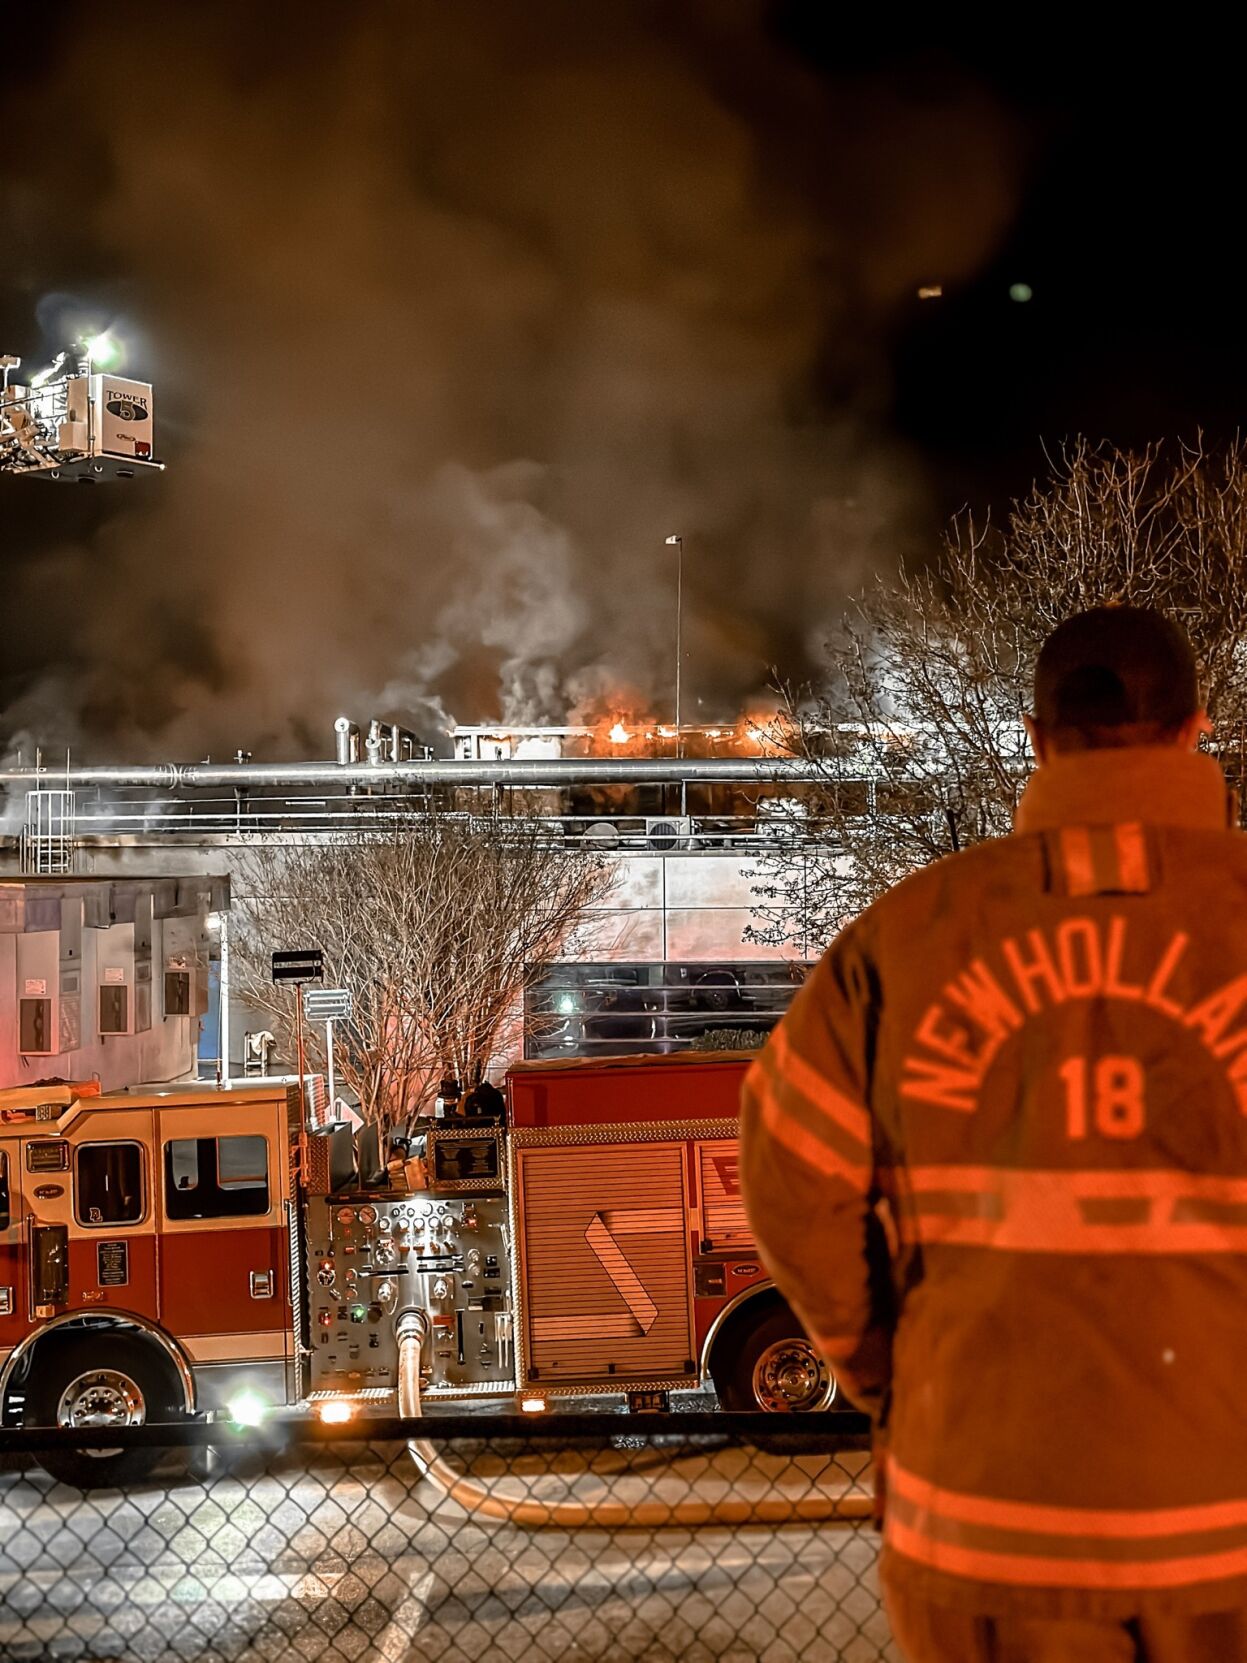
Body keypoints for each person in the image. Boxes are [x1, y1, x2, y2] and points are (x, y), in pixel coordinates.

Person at [741, 606, 1247, 1661]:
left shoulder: (908, 934)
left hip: (983, 1515)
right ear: (1196, 725)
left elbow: (790, 1171)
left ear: (1031, 734)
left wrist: (889, 1371)